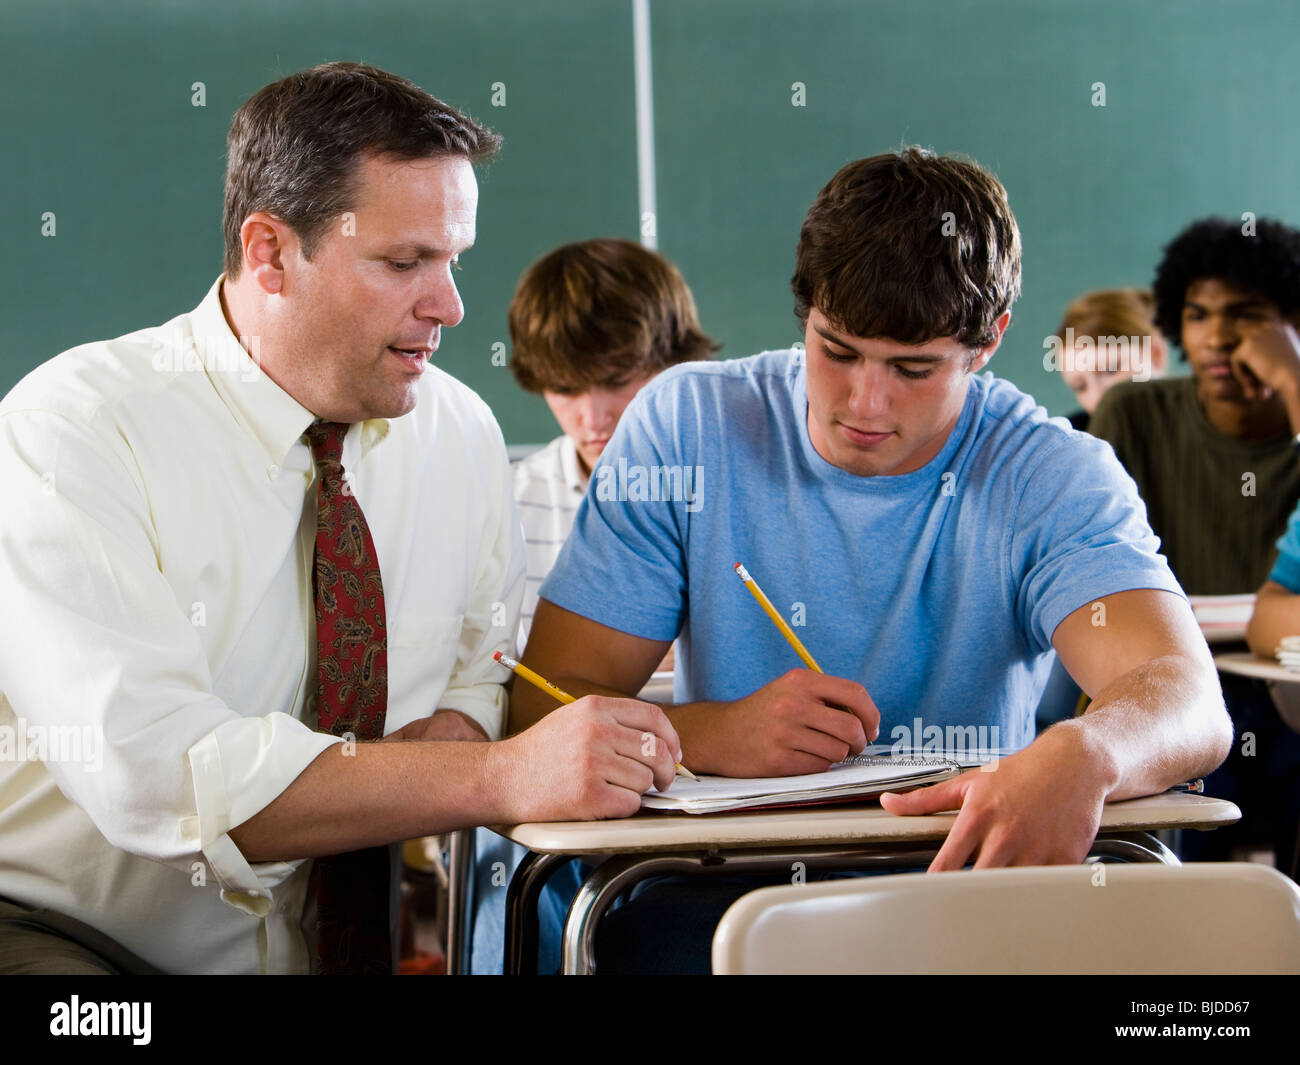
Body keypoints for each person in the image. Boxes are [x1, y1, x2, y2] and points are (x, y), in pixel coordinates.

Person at [0, 62, 679, 976]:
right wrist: (499, 774)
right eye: (404, 264)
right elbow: (165, 777)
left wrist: (433, 762)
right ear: (271, 252)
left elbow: (475, 688)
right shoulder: (71, 432)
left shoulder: (460, 432)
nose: (450, 306)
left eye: (452, 261)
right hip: (79, 943)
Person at [513, 148, 1233, 972]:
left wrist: (1088, 750)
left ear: (988, 342)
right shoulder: (685, 427)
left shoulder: (1049, 472)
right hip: (721, 887)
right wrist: (710, 732)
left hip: (962, 881)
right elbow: (541, 713)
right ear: (805, 311)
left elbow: (1190, 700)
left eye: (913, 367)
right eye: (839, 349)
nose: (865, 402)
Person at [1089, 218, 1300, 875]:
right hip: (1168, 677)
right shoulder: (1135, 415)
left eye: (1245, 315)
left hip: (1286, 691)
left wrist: (1296, 384)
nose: (1216, 336)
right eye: (1197, 314)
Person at [506, 238, 720, 642]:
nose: (593, 418)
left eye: (617, 381)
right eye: (565, 389)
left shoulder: (738, 488)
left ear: (674, 361)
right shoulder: (509, 504)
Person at [1046, 287, 1168, 430]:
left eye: (1110, 370)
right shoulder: (1073, 438)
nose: (1097, 397)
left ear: (1155, 352)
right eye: (1080, 387)